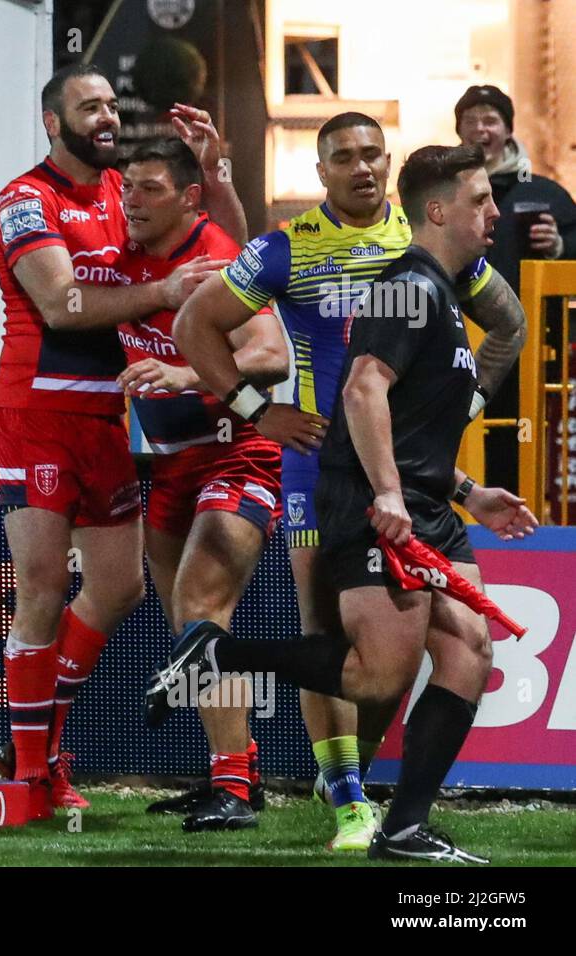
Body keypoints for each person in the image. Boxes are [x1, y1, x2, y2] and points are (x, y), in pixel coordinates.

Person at [150, 144, 538, 863]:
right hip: (364, 494)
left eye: (374, 156)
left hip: (424, 498)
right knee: (377, 672)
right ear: (439, 209)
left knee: (468, 650)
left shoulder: (444, 289)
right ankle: (219, 652)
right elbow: (362, 390)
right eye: (482, 201)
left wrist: (468, 491)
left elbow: (421, 416)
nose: (495, 213)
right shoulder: (405, 286)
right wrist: (260, 412)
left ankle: (404, 828)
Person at [0, 64, 240, 811]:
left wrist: (213, 173)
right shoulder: (24, 200)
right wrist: (160, 292)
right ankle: (35, 770)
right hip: (34, 414)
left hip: (105, 418)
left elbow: (228, 261)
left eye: (109, 106)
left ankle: (37, 735)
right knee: (41, 588)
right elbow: (62, 306)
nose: (106, 118)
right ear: (52, 123)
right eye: (87, 107)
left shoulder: (119, 195)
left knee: (120, 587)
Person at [113, 137, 289, 831]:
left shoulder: (215, 254)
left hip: (236, 453)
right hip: (172, 461)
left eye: (149, 187)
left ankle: (236, 791)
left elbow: (270, 351)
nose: (131, 198)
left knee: (201, 606)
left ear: (188, 198)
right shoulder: (127, 255)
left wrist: (189, 372)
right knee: (192, 623)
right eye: (127, 186)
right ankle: (232, 768)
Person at [453, 84, 576, 490]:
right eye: (470, 121)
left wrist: (559, 246)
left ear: (507, 129)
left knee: (528, 444)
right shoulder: (445, 194)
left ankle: (525, 530)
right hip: (458, 347)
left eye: (490, 120)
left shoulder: (545, 194)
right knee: (457, 435)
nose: (479, 129)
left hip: (533, 354)